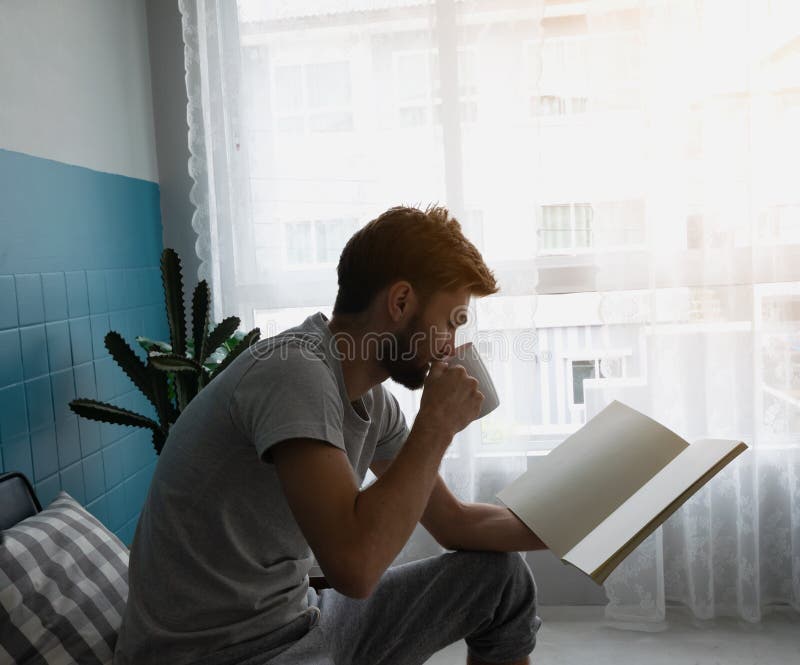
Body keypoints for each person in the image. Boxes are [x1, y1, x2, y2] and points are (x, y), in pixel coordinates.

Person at [114, 205, 546, 665]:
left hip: (300, 623)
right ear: (400, 302)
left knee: (502, 581)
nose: (451, 344)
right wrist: (436, 425)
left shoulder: (375, 404)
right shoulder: (292, 371)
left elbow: (455, 522)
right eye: (452, 321)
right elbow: (354, 568)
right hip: (223, 653)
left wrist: (577, 522)